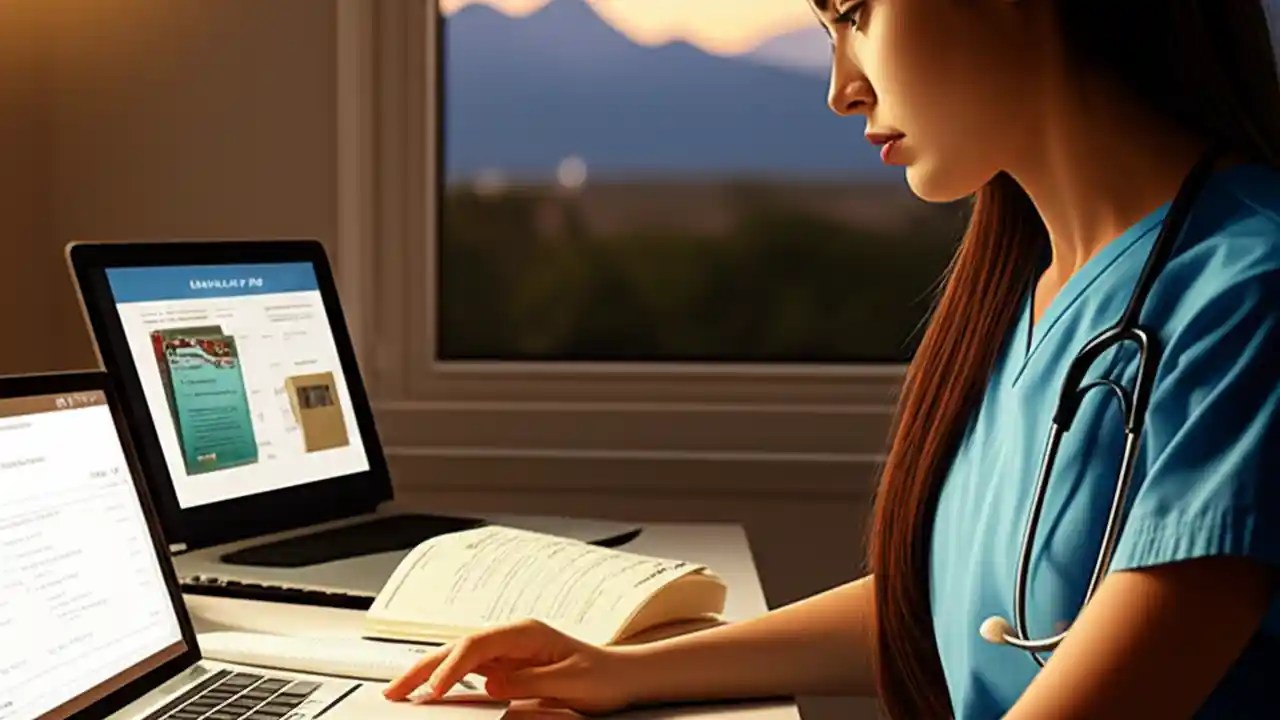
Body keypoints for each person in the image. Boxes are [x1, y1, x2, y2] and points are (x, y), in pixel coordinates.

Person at [385, 0, 1280, 717]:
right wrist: (618, 671)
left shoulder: (1251, 296)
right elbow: (945, 605)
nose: (842, 89)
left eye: (853, 15)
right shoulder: (1037, 291)